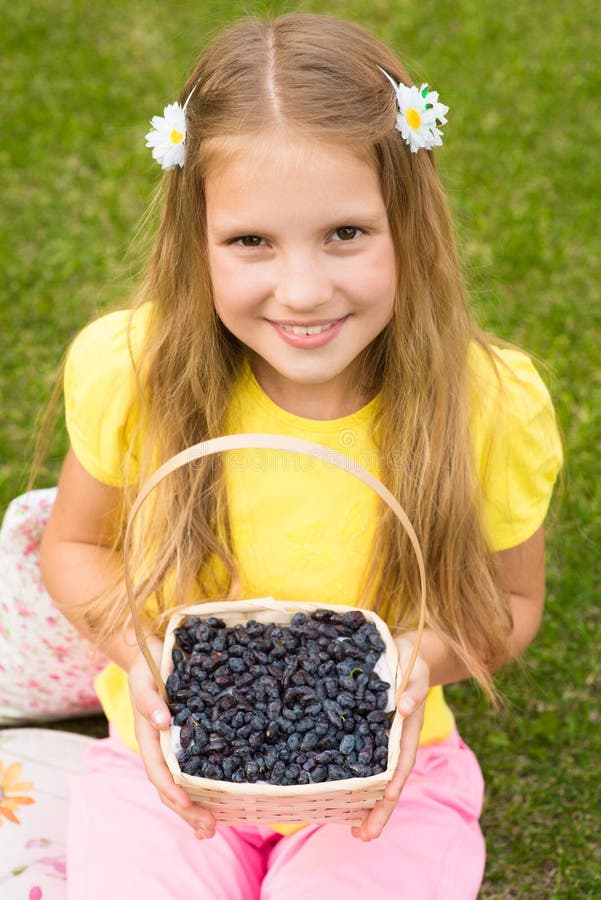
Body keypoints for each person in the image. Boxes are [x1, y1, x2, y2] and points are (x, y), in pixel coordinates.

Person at [39, 13, 562, 899]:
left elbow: (509, 600)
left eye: (346, 234)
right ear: (193, 239)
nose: (304, 288)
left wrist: (422, 659)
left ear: (411, 223)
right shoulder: (134, 370)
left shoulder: (487, 403)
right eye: (251, 242)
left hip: (387, 778)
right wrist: (139, 657)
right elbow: (76, 546)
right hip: (165, 764)